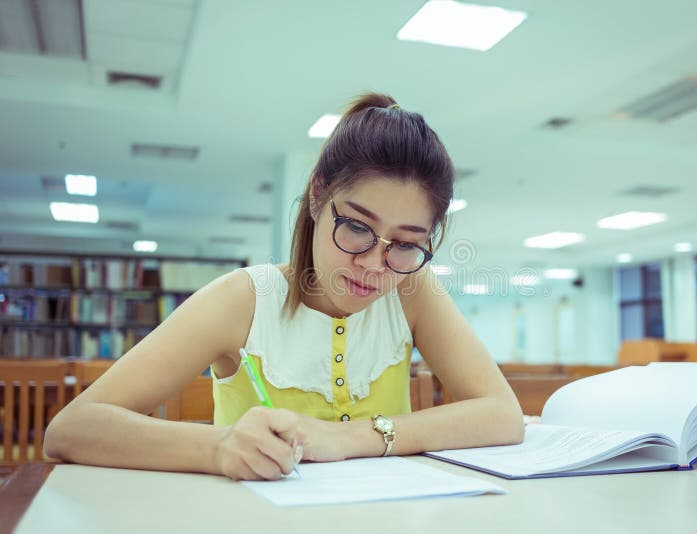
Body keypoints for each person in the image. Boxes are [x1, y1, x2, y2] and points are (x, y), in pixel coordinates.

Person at [44, 93, 524, 480]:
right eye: (356, 228)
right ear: (318, 195)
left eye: (405, 243)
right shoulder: (244, 299)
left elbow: (502, 415)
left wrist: (350, 437)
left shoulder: (412, 289)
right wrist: (220, 446)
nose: (376, 266)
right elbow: (70, 430)